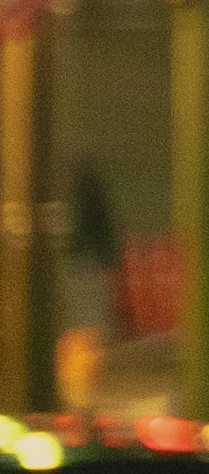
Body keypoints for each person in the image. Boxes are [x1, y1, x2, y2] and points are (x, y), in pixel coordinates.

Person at [53, 155, 115, 410]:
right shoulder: (87, 185)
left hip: (71, 266)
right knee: (87, 334)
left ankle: (71, 394)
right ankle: (79, 395)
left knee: (74, 335)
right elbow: (104, 228)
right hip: (88, 265)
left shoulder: (63, 186)